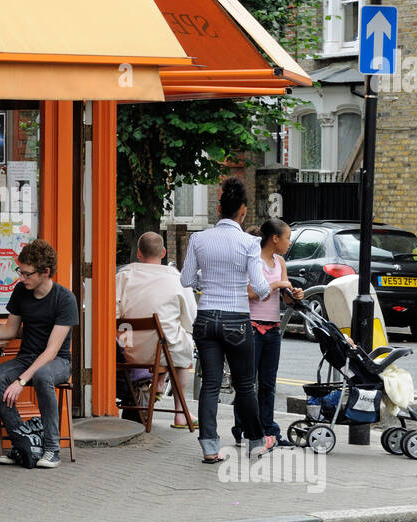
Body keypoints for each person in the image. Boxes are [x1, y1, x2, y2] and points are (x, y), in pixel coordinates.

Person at [179, 177, 277, 463]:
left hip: (206, 316)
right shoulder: (249, 242)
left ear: (219, 208)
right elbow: (259, 288)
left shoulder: (199, 239)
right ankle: (257, 441)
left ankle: (210, 447)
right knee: (245, 385)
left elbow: (186, 279)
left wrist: (205, 280)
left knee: (210, 384)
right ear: (243, 211)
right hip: (237, 319)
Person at [0, 239, 77, 469]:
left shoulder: (65, 299)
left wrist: (21, 381)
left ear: (45, 272)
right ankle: (23, 445)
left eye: (27, 274)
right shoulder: (21, 291)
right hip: (27, 357)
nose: (21, 278)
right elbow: (10, 330)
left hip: (58, 362)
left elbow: (52, 350)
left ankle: (51, 449)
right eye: (20, 272)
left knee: (43, 375)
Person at [116, 231, 197, 428]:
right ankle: (179, 413)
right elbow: (191, 319)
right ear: (163, 252)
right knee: (183, 341)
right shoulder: (177, 278)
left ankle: (159, 380)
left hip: (130, 351)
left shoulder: (123, 276)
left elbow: (113, 314)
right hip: (165, 352)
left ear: (139, 253)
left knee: (162, 340)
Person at [234, 218, 303, 447]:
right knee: (247, 384)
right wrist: (276, 285)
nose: (289, 243)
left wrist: (294, 294)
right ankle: (242, 427)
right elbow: (250, 293)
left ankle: (269, 430)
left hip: (272, 329)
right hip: (252, 327)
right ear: (274, 239)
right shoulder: (253, 261)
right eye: (287, 238)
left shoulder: (280, 262)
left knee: (268, 384)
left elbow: (285, 297)